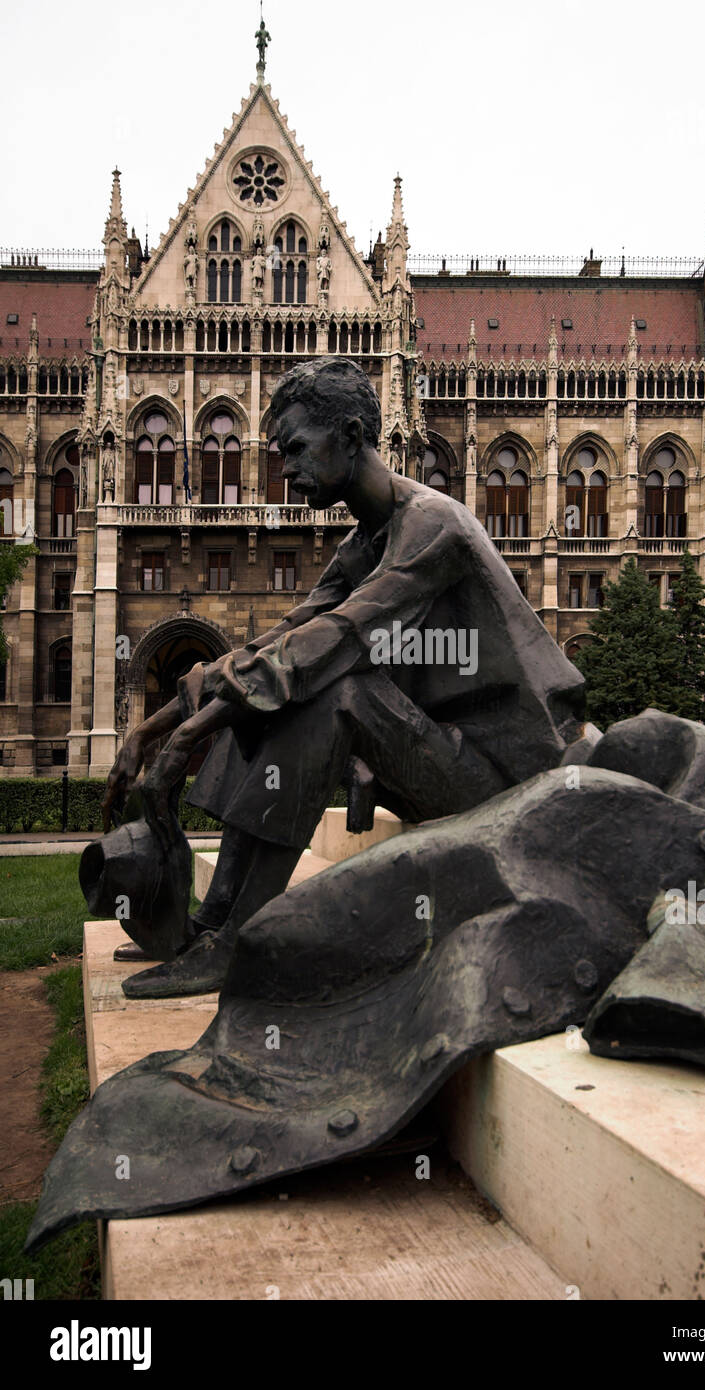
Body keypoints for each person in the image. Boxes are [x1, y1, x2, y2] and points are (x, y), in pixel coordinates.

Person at [103, 358, 585, 997]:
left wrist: (190, 737)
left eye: (298, 448)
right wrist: (153, 730)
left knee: (333, 690)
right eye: (279, 453)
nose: (285, 468)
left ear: (353, 436)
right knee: (278, 682)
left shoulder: (433, 526)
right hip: (445, 762)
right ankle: (214, 920)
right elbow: (277, 642)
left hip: (513, 779)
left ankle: (240, 943)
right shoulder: (362, 545)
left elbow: (340, 639)